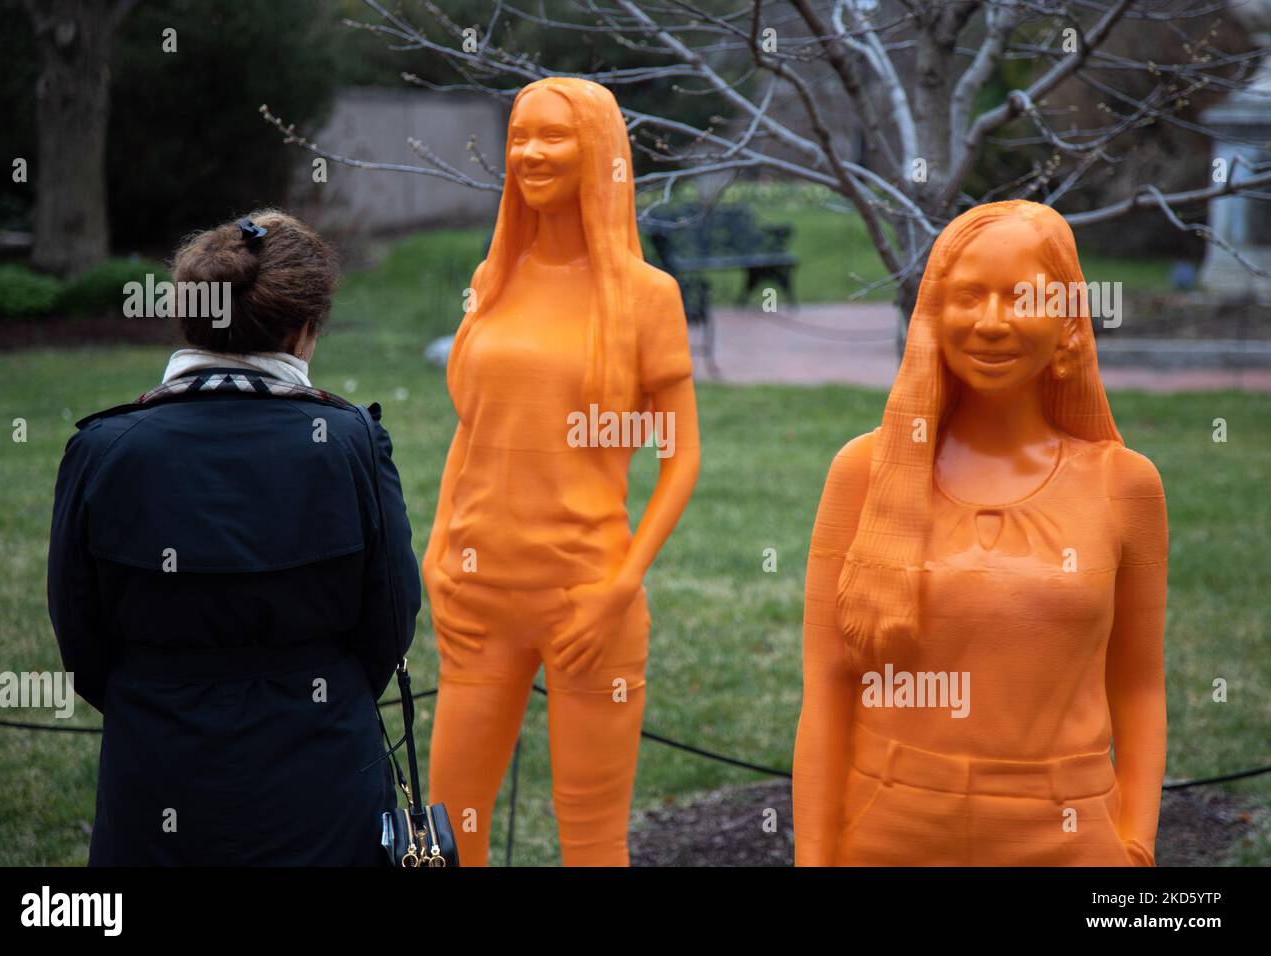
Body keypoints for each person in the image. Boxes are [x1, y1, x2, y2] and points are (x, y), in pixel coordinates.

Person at [792, 200, 1168, 866]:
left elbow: (1137, 683)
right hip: (890, 829)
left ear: (1070, 325)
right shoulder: (863, 472)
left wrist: (1135, 842)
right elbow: (827, 687)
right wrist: (816, 858)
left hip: (1069, 837)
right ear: (935, 315)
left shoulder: (1125, 485)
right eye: (968, 297)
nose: (991, 323)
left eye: (1023, 298)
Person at [48, 209, 421, 866]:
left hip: (157, 755)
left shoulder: (103, 450)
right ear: (305, 331)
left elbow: (80, 636)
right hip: (322, 758)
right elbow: (390, 617)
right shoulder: (350, 444)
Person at [423, 77, 701, 866]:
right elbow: (470, 433)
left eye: (553, 137)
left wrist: (618, 590)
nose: (530, 153)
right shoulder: (492, 282)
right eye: (519, 137)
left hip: (590, 604)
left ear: (600, 153)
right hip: (476, 599)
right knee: (445, 838)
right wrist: (439, 553)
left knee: (591, 841)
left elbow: (682, 458)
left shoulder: (648, 299)